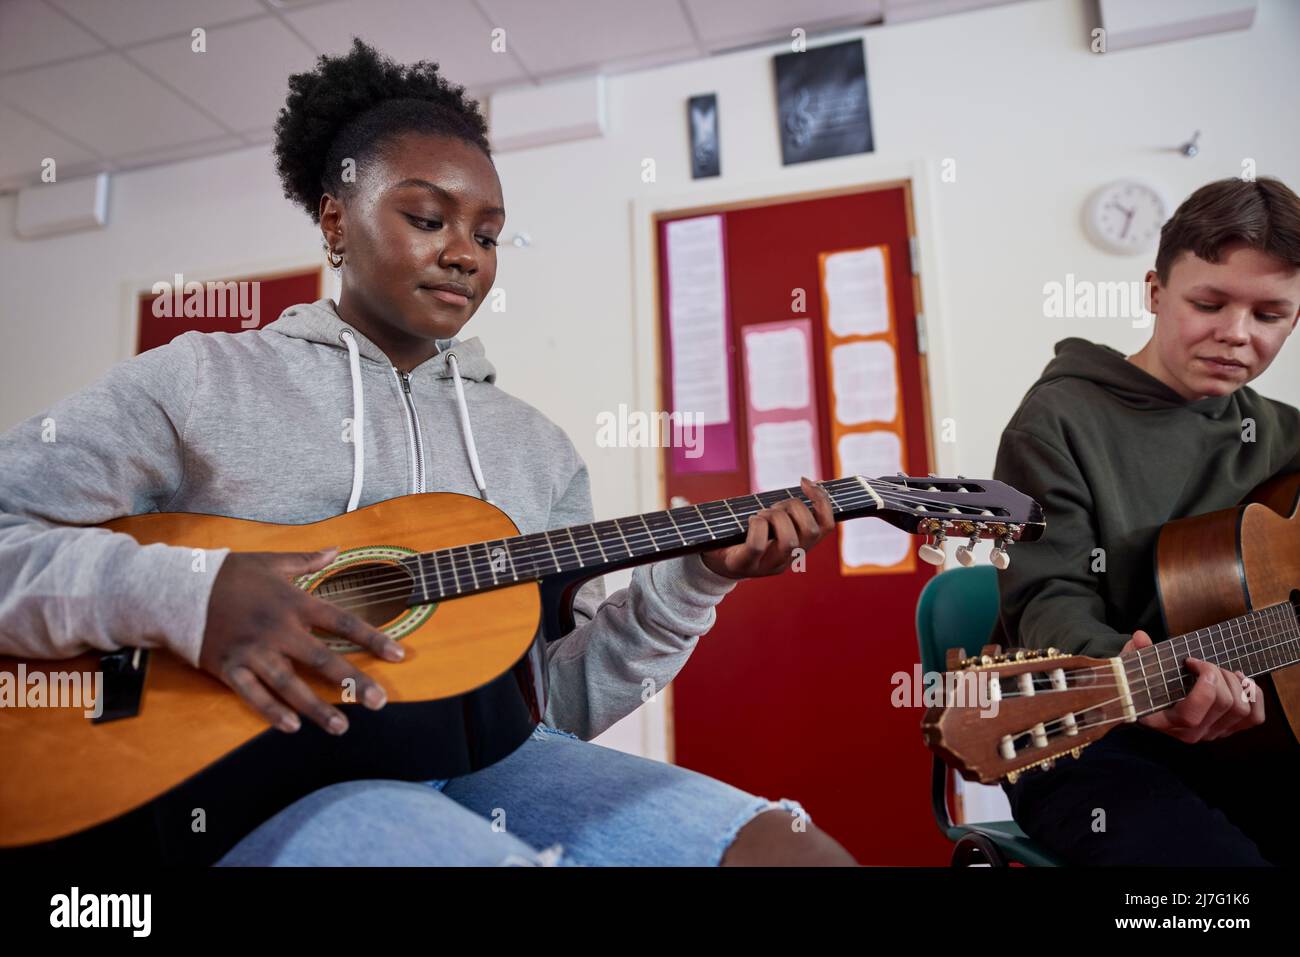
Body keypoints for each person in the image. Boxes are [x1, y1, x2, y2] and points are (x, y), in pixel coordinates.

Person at [0, 40, 856, 867]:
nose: (463, 254)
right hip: (253, 780)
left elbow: (543, 706)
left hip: (489, 769)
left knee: (788, 850)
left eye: (487, 236)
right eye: (426, 217)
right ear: (336, 220)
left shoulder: (538, 451)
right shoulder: (202, 379)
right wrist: (192, 592)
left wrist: (695, 581)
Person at [992, 176, 1300, 865]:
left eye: (1270, 314)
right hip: (1085, 733)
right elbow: (1048, 601)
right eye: (1209, 302)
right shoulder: (1058, 421)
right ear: (1154, 291)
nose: (1236, 335)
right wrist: (1136, 681)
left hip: (1260, 736)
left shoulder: (1285, 437)